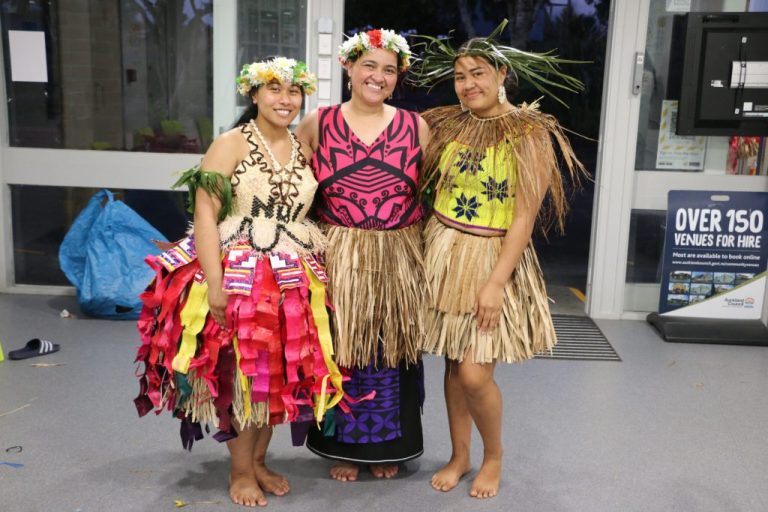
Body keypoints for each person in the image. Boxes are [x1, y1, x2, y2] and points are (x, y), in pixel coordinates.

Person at [133, 57, 345, 507]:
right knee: (240, 371)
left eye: (293, 92)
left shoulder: (303, 146)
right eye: (273, 89)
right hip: (238, 270)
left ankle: (261, 461)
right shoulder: (230, 143)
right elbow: (206, 214)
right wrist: (214, 283)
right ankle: (240, 469)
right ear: (253, 95)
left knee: (278, 371)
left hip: (293, 274)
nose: (284, 100)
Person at [410, 20, 587, 499]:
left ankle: (493, 454)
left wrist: (494, 283)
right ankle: (459, 453)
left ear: (502, 73)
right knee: (451, 364)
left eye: (479, 73)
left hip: (493, 256)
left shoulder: (529, 133)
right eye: (460, 76)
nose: (469, 84)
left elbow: (525, 217)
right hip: (444, 249)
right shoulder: (448, 122)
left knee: (473, 370)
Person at [295, 28, 431, 481]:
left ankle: (391, 445)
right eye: (369, 65)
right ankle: (343, 447)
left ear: (398, 78)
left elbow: (430, 196)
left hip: (398, 252)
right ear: (349, 67)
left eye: (389, 70)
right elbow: (295, 191)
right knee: (343, 347)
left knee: (390, 349)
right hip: (338, 253)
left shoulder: (416, 126)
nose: (378, 76)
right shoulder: (318, 122)